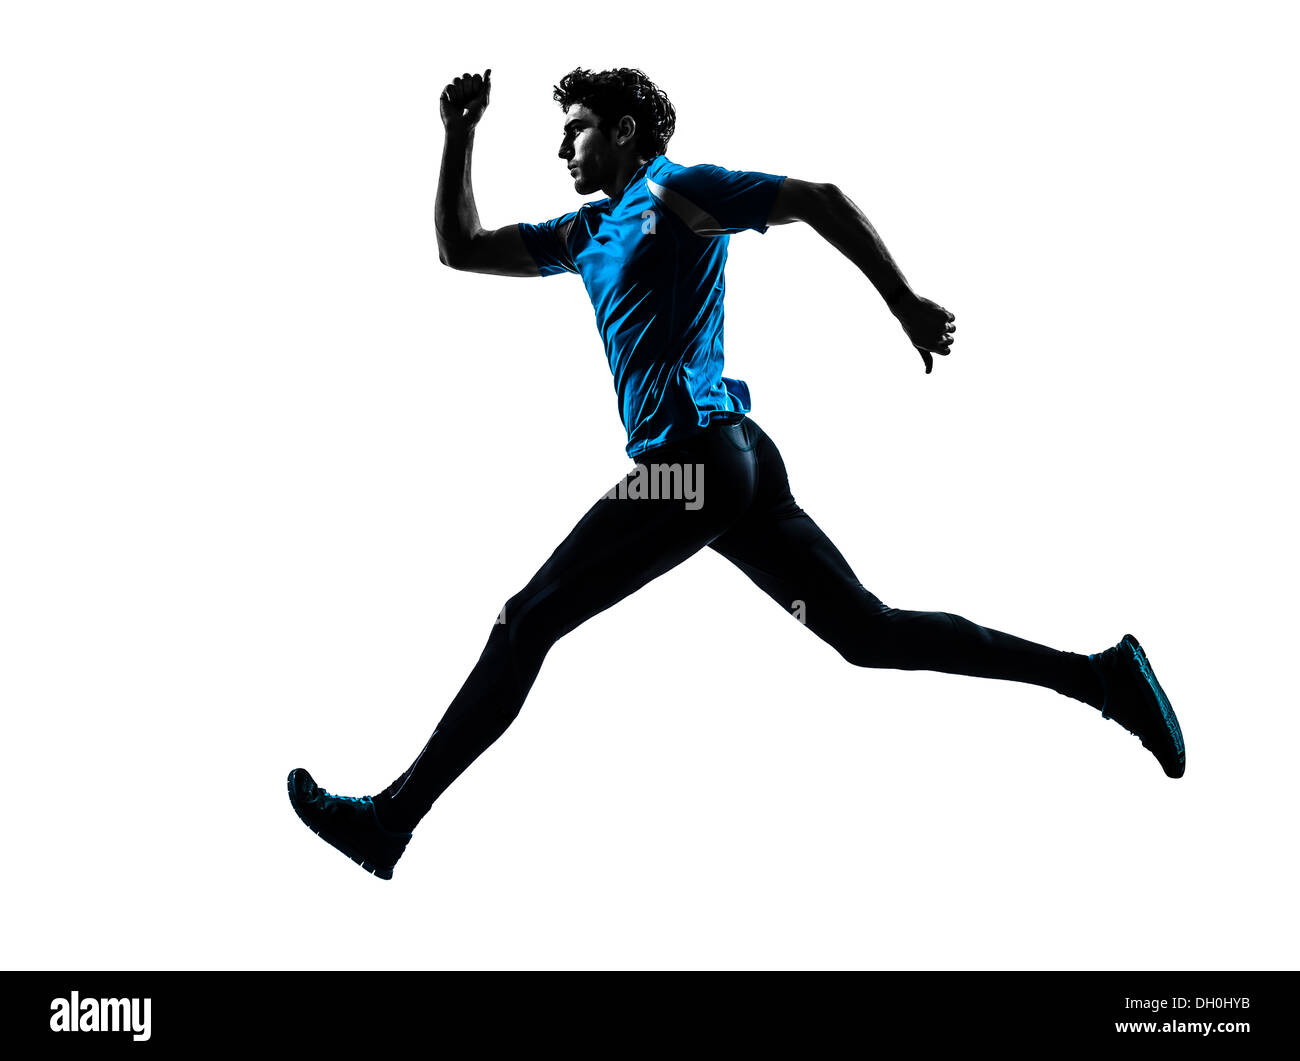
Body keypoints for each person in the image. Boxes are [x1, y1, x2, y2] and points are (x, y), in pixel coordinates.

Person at [287, 67, 1184, 880]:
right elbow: (461, 245)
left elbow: (820, 198)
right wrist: (459, 131)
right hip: (737, 465)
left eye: (579, 127)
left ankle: (392, 820)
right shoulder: (583, 231)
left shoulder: (678, 194)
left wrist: (903, 302)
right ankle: (1100, 677)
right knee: (866, 632)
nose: (563, 146)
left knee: (526, 619)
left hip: (692, 470)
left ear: (631, 131)